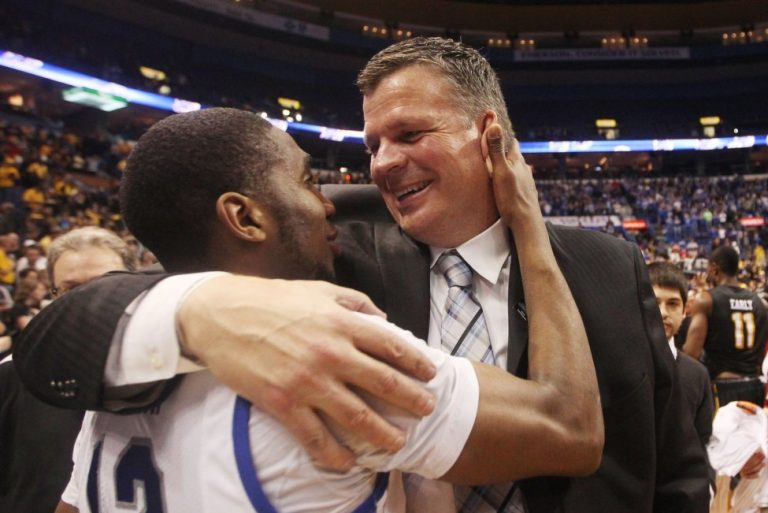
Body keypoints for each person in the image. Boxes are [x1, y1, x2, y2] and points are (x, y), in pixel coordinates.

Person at [15, 38, 709, 512]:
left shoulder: (606, 263)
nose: (378, 164)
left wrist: (530, 230)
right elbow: (107, 299)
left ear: (489, 134)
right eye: (372, 142)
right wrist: (199, 308)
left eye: (409, 135)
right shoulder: (329, 249)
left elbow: (672, 457)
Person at [56, 108, 600, 512]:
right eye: (306, 181)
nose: (326, 203)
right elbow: (570, 430)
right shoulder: (329, 348)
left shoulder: (121, 378)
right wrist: (529, 226)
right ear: (245, 218)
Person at [0, 227, 136, 513]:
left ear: (137, 283)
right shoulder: (12, 375)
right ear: (54, 295)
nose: (90, 299)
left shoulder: (176, 374)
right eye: (71, 288)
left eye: (106, 283)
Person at [647, 262, 715, 482]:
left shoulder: (697, 375)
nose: (663, 312)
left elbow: (702, 442)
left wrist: (707, 488)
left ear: (685, 311)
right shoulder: (615, 366)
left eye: (672, 304)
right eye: (654, 302)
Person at [683, 245, 768, 407]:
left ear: (715, 269)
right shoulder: (761, 304)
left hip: (722, 387)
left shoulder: (706, 300)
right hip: (755, 386)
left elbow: (691, 354)